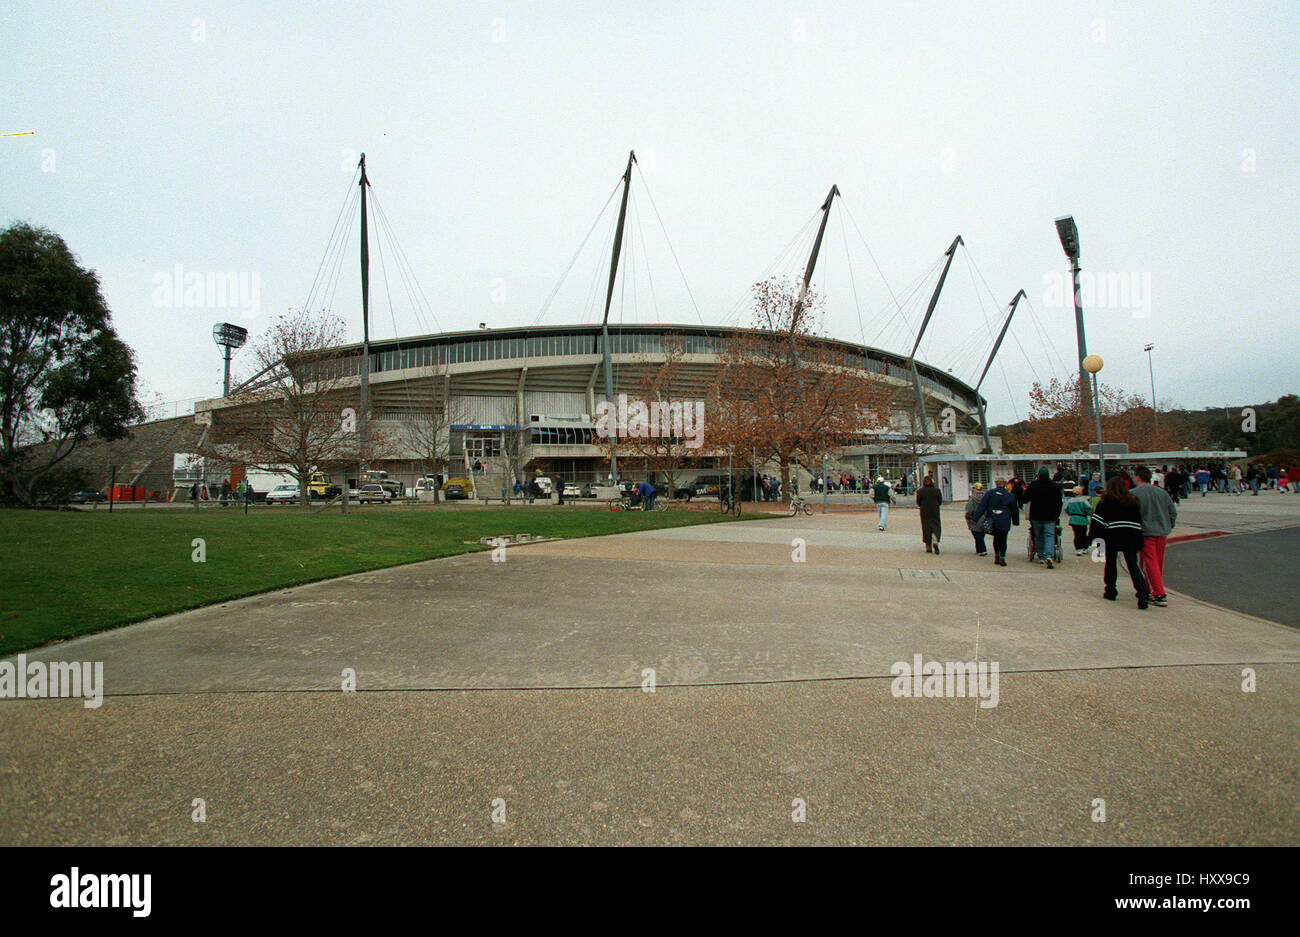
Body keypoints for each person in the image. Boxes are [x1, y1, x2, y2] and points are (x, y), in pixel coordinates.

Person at [1088, 476, 1149, 609]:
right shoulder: (1133, 500)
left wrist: (1093, 538)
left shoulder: (1105, 501)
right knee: (1133, 565)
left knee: (1111, 563)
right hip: (1132, 535)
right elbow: (1139, 520)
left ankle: (1110, 590)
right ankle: (1142, 593)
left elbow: (1097, 522)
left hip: (1112, 534)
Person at [1132, 466, 1176, 607]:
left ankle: (1158, 592)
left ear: (1137, 477)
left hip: (1145, 532)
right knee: (1157, 562)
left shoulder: (1134, 494)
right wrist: (1169, 525)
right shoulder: (1162, 493)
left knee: (1148, 563)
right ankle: (1152, 587)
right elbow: (1172, 511)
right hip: (1162, 532)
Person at [971, 477, 1019, 566]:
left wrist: (974, 519)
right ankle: (1002, 557)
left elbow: (982, 507)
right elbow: (1014, 509)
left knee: (996, 538)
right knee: (1003, 539)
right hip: (1005, 519)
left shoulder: (990, 493)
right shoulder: (1010, 495)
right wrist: (1015, 521)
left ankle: (996, 555)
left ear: (996, 484)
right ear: (1005, 484)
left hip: (993, 518)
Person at [1025, 466, 1063, 568]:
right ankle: (1049, 555)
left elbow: (1025, 498)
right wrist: (1057, 514)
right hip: (1051, 516)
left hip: (1036, 515)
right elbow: (1059, 502)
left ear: (1038, 475)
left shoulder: (1033, 485)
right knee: (1050, 535)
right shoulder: (1054, 486)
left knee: (1038, 536)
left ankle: (1041, 556)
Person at [916, 475, 943, 554]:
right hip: (935, 510)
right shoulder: (937, 490)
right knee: (936, 525)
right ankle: (935, 539)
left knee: (926, 527)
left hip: (924, 511)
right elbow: (940, 501)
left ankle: (928, 546)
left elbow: (918, 502)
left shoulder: (920, 491)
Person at [1065, 485, 1094, 555]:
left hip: (1073, 519)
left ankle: (1078, 548)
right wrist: (1088, 513)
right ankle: (1084, 547)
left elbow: (1066, 509)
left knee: (1076, 534)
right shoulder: (1083, 500)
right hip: (1082, 518)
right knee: (1083, 533)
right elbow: (1089, 508)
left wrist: (1070, 513)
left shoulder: (1070, 501)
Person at [964, 483, 990, 556]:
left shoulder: (972, 497)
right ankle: (979, 549)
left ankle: (982, 549)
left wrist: (968, 517)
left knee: (976, 534)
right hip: (984, 517)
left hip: (975, 518)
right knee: (981, 533)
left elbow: (969, 509)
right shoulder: (986, 496)